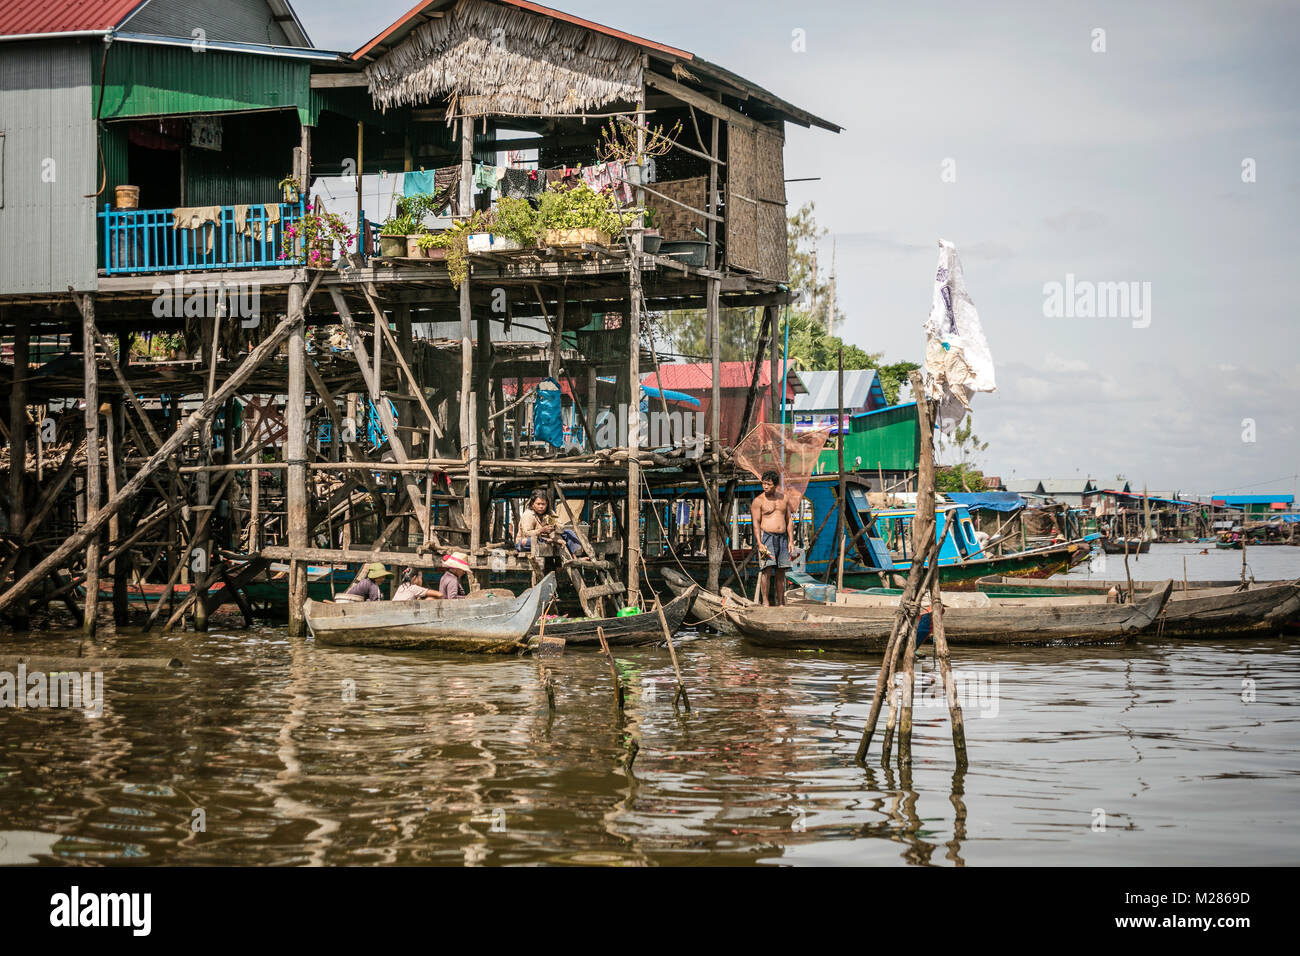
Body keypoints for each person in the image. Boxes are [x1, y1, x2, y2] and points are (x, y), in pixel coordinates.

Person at [751, 469, 799, 606]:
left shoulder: (784, 498)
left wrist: (791, 540)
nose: (765, 486)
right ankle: (765, 602)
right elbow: (755, 524)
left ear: (775, 485)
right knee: (766, 570)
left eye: (769, 484)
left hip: (783, 538)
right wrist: (759, 543)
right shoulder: (758, 501)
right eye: (763, 483)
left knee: (781, 572)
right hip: (767, 538)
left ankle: (781, 603)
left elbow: (789, 520)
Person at [516, 491, 582, 556]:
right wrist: (541, 530)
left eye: (543, 504)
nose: (541, 507)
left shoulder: (550, 513)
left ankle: (575, 555)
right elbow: (526, 533)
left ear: (547, 504)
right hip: (527, 542)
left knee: (568, 532)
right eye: (538, 504)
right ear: (533, 504)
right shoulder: (528, 514)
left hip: (545, 540)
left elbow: (561, 527)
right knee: (525, 541)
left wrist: (554, 526)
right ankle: (551, 540)